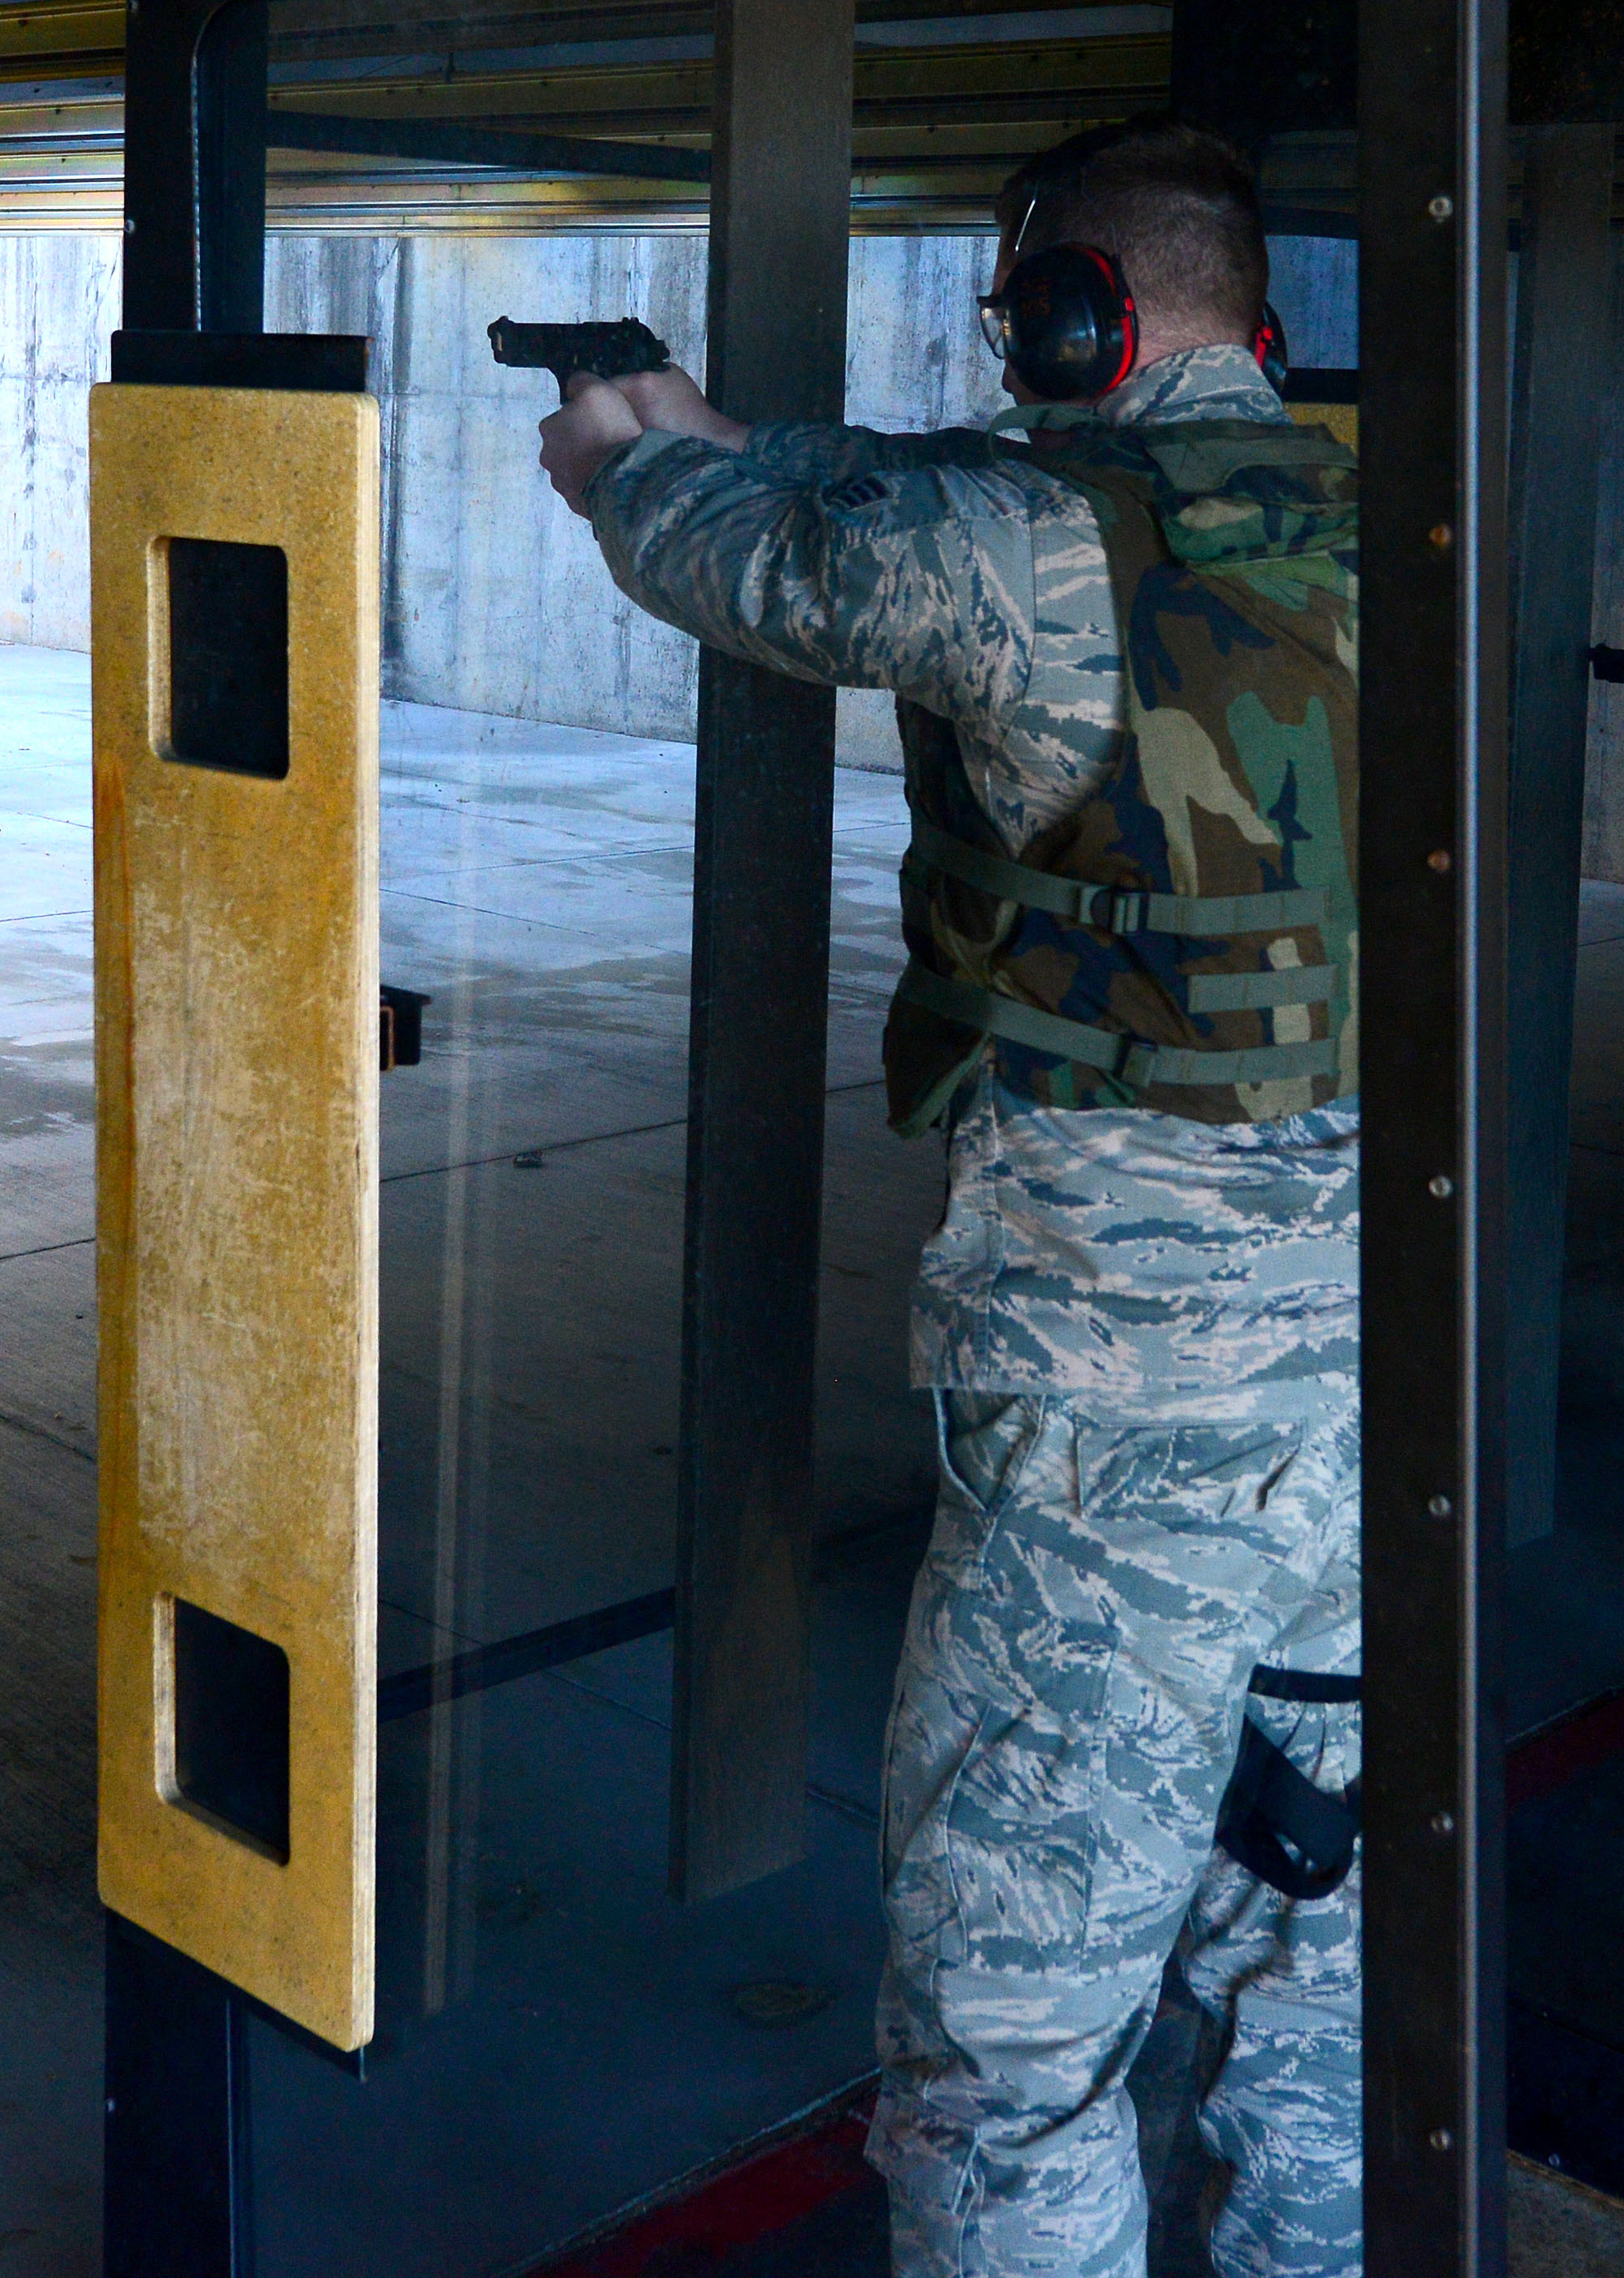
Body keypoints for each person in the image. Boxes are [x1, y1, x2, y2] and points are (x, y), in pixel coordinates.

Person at [535, 116, 1359, 2278]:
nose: (1008, 360)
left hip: (1124, 1407)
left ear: (1083, 313)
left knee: (1005, 2061)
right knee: (1317, 1958)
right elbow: (939, 498)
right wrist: (743, 423)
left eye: (1021, 322)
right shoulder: (1385, 512)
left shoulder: (1023, 540)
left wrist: (632, 456)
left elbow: (767, 557)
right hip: (1386, 1383)